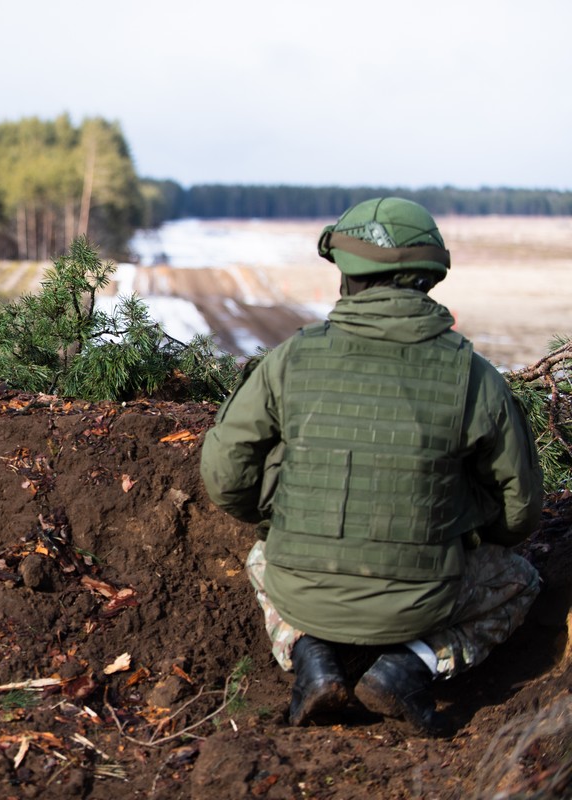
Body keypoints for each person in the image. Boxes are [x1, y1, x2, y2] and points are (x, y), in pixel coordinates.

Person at [200, 197, 544, 736]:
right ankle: (411, 666)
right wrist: (471, 537)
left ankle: (312, 656)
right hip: (426, 603)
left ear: (346, 272)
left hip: (302, 589)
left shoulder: (289, 360)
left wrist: (274, 520)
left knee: (263, 559)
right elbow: (520, 509)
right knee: (519, 580)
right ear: (430, 274)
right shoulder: (474, 377)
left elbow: (225, 473)